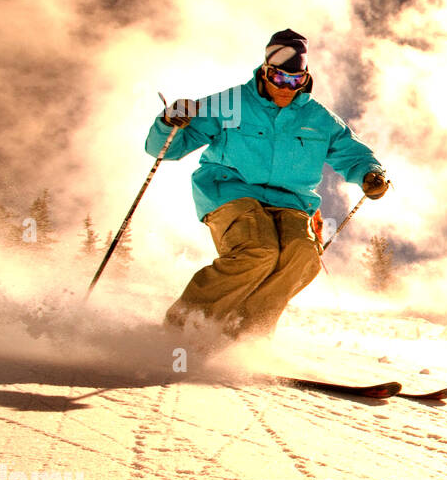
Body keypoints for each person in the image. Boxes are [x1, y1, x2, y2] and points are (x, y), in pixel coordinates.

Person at [145, 28, 389, 340]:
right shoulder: (232, 105)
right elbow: (165, 148)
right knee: (258, 251)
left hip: (292, 202)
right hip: (230, 191)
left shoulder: (318, 118)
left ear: (305, 78)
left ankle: (244, 334)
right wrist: (169, 123)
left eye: (296, 80)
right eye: (280, 79)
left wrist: (370, 173)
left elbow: (353, 153)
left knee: (303, 256)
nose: (288, 88)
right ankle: (183, 327)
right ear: (266, 72)